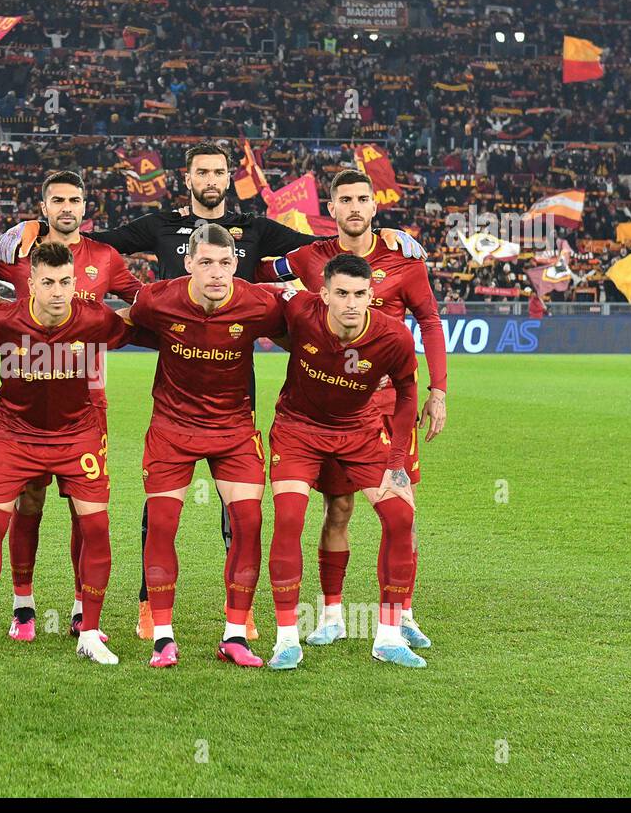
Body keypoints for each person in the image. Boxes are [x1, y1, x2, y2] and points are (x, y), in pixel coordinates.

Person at [0, 142, 427, 642]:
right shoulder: (160, 225)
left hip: (236, 384)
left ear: (228, 177)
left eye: (219, 171)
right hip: (177, 380)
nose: (211, 179)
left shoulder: (256, 228)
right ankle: (149, 607)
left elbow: (323, 247)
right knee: (160, 509)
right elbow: (94, 242)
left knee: (240, 508)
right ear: (189, 177)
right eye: (203, 171)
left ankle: (240, 612)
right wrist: (35, 228)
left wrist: (379, 237)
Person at [263, 169, 446, 649]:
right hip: (333, 405)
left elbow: (429, 320)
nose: (354, 208)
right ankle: (332, 616)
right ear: (332, 208)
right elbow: (259, 271)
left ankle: (402, 615)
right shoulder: (309, 257)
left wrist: (439, 390)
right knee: (338, 507)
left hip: (389, 405)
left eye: (362, 199)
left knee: (402, 508)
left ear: (374, 205)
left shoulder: (404, 258)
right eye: (345, 200)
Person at [0, 241, 134, 668]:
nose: (57, 291)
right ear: (30, 284)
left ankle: (89, 633)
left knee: (97, 527)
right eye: (48, 282)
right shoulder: (2, 320)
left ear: (75, 282)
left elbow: (144, 327)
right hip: (15, 436)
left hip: (77, 435)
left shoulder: (96, 318)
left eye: (65, 282)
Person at [117, 224, 287, 668]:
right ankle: (163, 637)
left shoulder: (258, 303)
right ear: (188, 263)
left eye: (225, 263)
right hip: (172, 429)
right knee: (162, 525)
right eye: (207, 262)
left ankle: (235, 635)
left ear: (236, 264)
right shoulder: (156, 299)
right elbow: (124, 326)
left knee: (249, 523)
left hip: (233, 430)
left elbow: (300, 329)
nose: (216, 272)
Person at [0, 169, 143, 642]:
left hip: (88, 400)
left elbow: (141, 299)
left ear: (85, 206)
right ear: (44, 207)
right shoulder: (19, 252)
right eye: (58, 200)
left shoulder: (105, 256)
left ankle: (80, 608)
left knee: (83, 507)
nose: (67, 208)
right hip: (26, 398)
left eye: (75, 200)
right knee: (28, 501)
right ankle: (23, 606)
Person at [265, 253, 425, 669]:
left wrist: (396, 462)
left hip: (359, 431)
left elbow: (408, 394)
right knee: (289, 517)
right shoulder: (300, 310)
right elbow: (252, 293)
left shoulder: (394, 337)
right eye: (341, 293)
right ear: (323, 294)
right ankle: (287, 640)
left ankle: (388, 636)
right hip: (298, 430)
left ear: (371, 295)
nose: (350, 303)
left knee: (400, 517)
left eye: (358, 294)